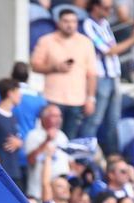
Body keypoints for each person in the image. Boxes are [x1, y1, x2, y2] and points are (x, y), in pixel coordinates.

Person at [80, 0, 134, 154]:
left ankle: (112, 157)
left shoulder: (104, 24)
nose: (110, 11)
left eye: (111, 7)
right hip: (100, 77)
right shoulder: (88, 25)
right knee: (94, 120)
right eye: (106, 8)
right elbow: (108, 50)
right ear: (95, 7)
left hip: (113, 76)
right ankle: (87, 156)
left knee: (114, 122)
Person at [29, 7, 97, 140]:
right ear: (58, 22)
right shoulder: (46, 41)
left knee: (70, 138)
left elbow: (92, 74)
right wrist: (55, 67)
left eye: (73, 21)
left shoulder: (86, 42)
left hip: (77, 99)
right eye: (66, 21)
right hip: (53, 98)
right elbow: (35, 66)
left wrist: (91, 98)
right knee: (50, 136)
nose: (70, 24)